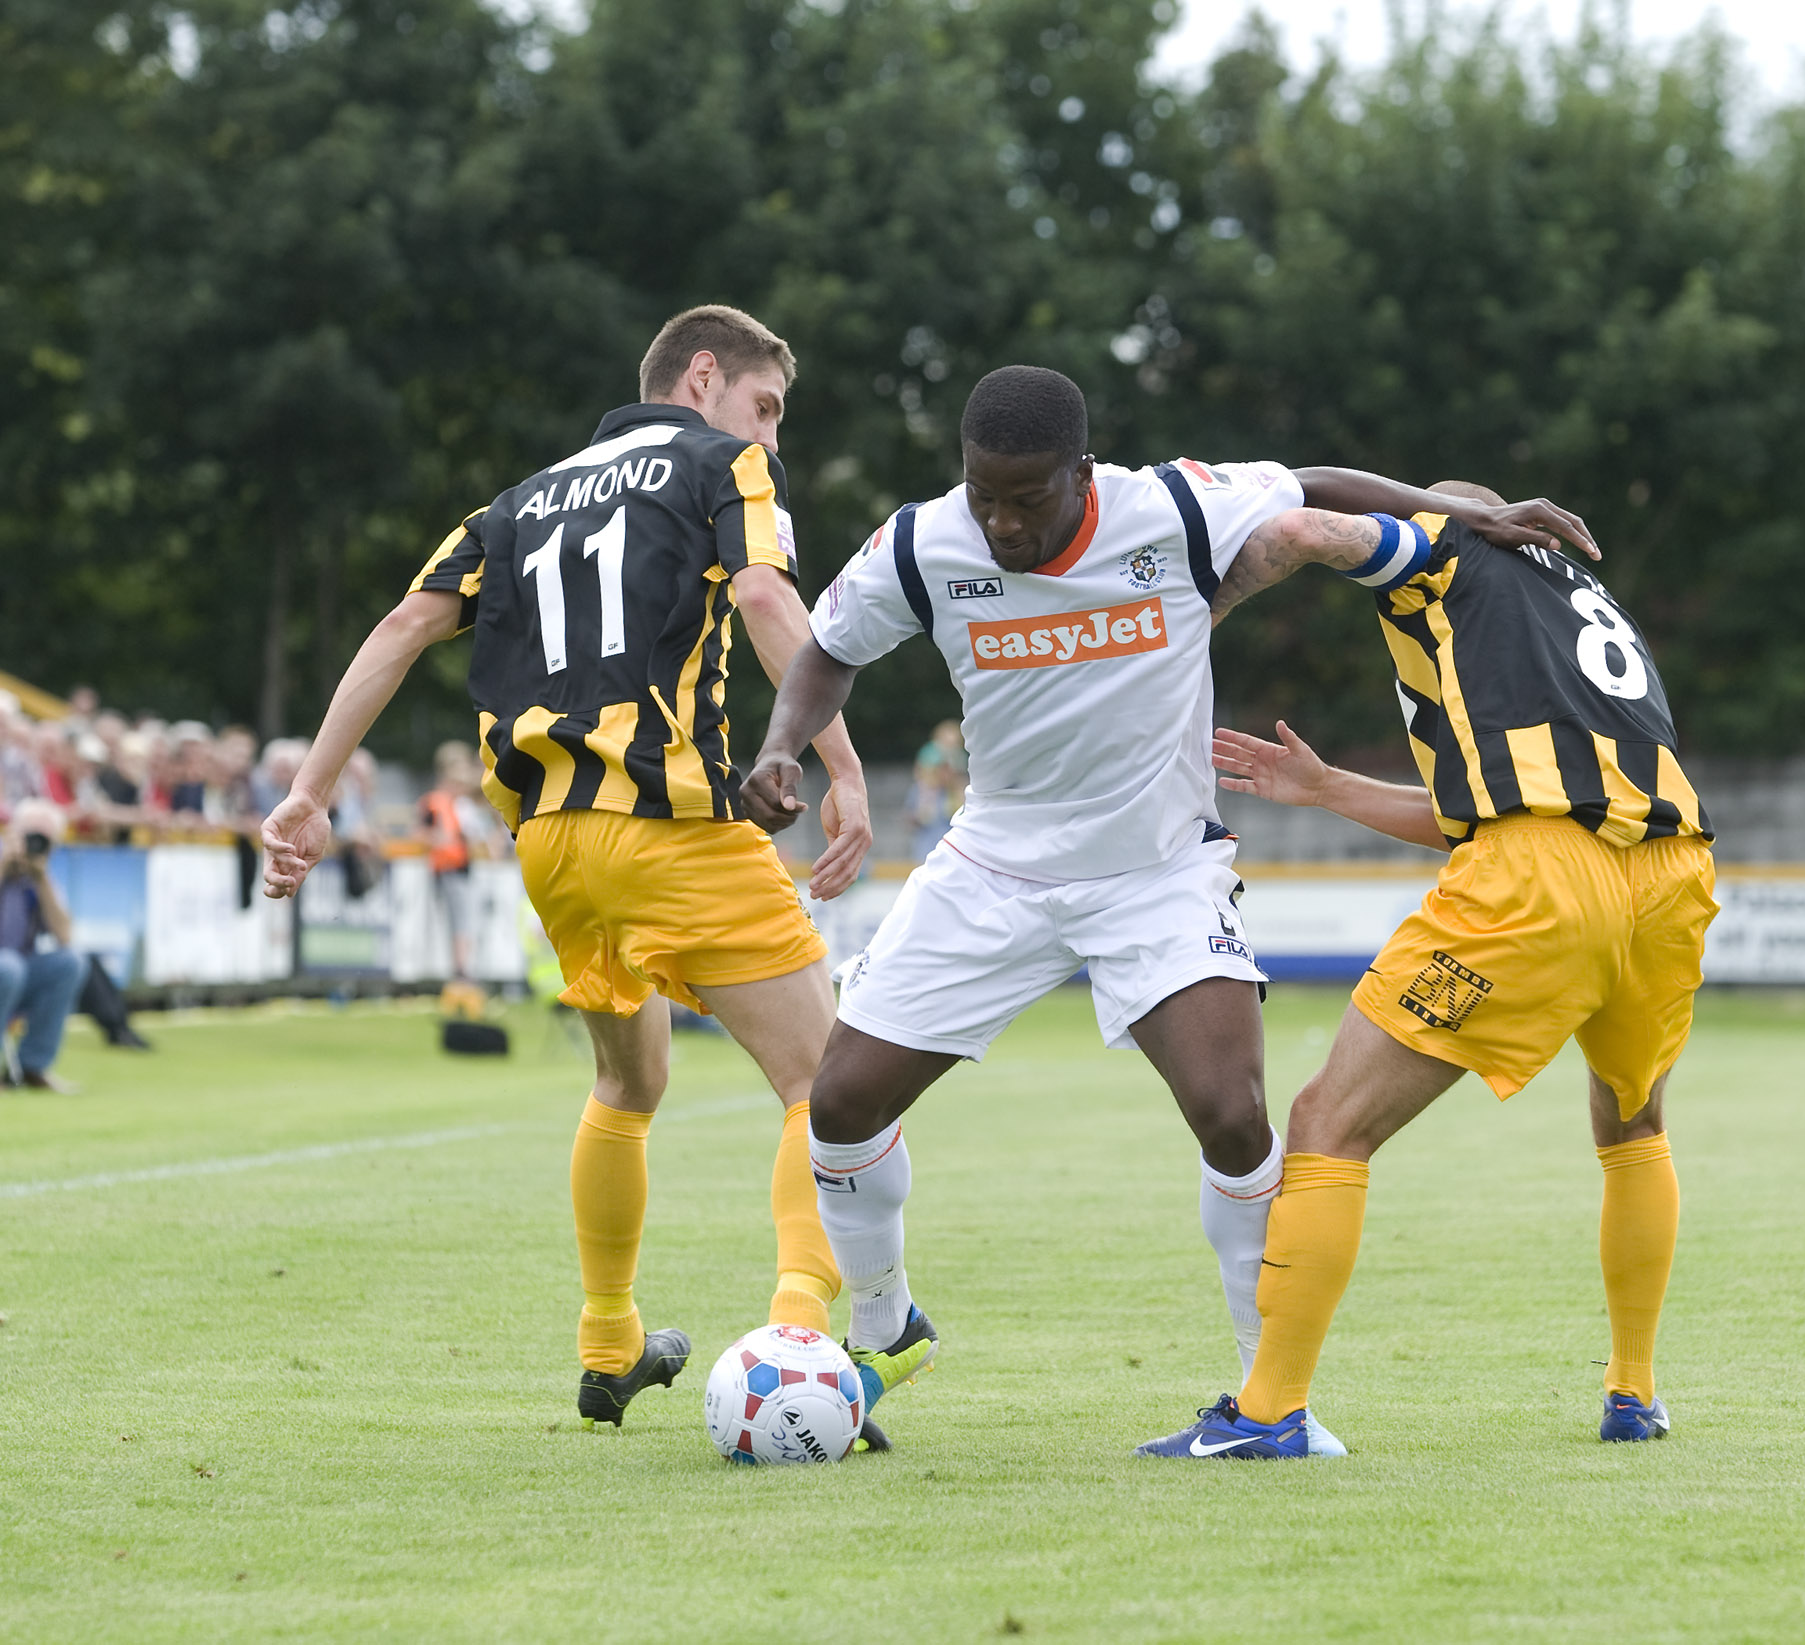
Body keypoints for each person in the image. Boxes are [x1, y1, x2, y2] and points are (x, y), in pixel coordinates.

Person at [743, 365, 1593, 1435]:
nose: (1001, 522)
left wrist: (1455, 508)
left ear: (1081, 473)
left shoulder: (1171, 508)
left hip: (1155, 872)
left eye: (1026, 498)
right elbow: (826, 648)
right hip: (994, 867)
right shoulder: (924, 542)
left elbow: (1307, 482)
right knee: (841, 1104)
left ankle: (1265, 1401)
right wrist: (781, 748)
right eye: (983, 496)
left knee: (1233, 1114)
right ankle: (884, 1328)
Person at [261, 302, 911, 1438]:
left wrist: (309, 792)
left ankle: (610, 1344)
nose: (773, 436)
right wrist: (841, 764)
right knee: (832, 1088)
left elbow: (403, 627)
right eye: (766, 406)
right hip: (672, 825)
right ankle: (802, 1334)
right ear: (703, 377)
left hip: (555, 844)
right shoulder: (726, 466)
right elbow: (765, 597)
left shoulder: (510, 505)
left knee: (627, 1084)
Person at [1134, 479, 1712, 1459]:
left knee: (1327, 1125)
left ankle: (1269, 1411)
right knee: (1634, 1118)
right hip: (1671, 876)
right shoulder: (1573, 595)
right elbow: (1476, 802)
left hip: (1539, 887)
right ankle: (1635, 1392)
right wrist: (1327, 789)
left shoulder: (1445, 547)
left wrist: (1186, 613)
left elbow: (1307, 525)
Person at [0, 799, 90, 1091]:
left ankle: (32, 1066)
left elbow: (64, 935)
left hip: (16, 974)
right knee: (8, 967)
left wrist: (42, 879)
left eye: (43, 839)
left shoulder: (39, 878)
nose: (33, 844)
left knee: (70, 962)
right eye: (29, 835)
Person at [414, 741, 503, 980]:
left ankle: (462, 969)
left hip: (461, 867)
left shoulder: (461, 804)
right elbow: (421, 833)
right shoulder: (435, 802)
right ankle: (460, 971)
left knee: (464, 920)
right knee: (459, 920)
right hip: (446, 868)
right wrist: (440, 839)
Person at [904, 719, 967, 859]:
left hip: (953, 852)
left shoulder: (961, 792)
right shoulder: (921, 791)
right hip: (926, 849)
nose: (947, 772)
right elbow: (911, 818)